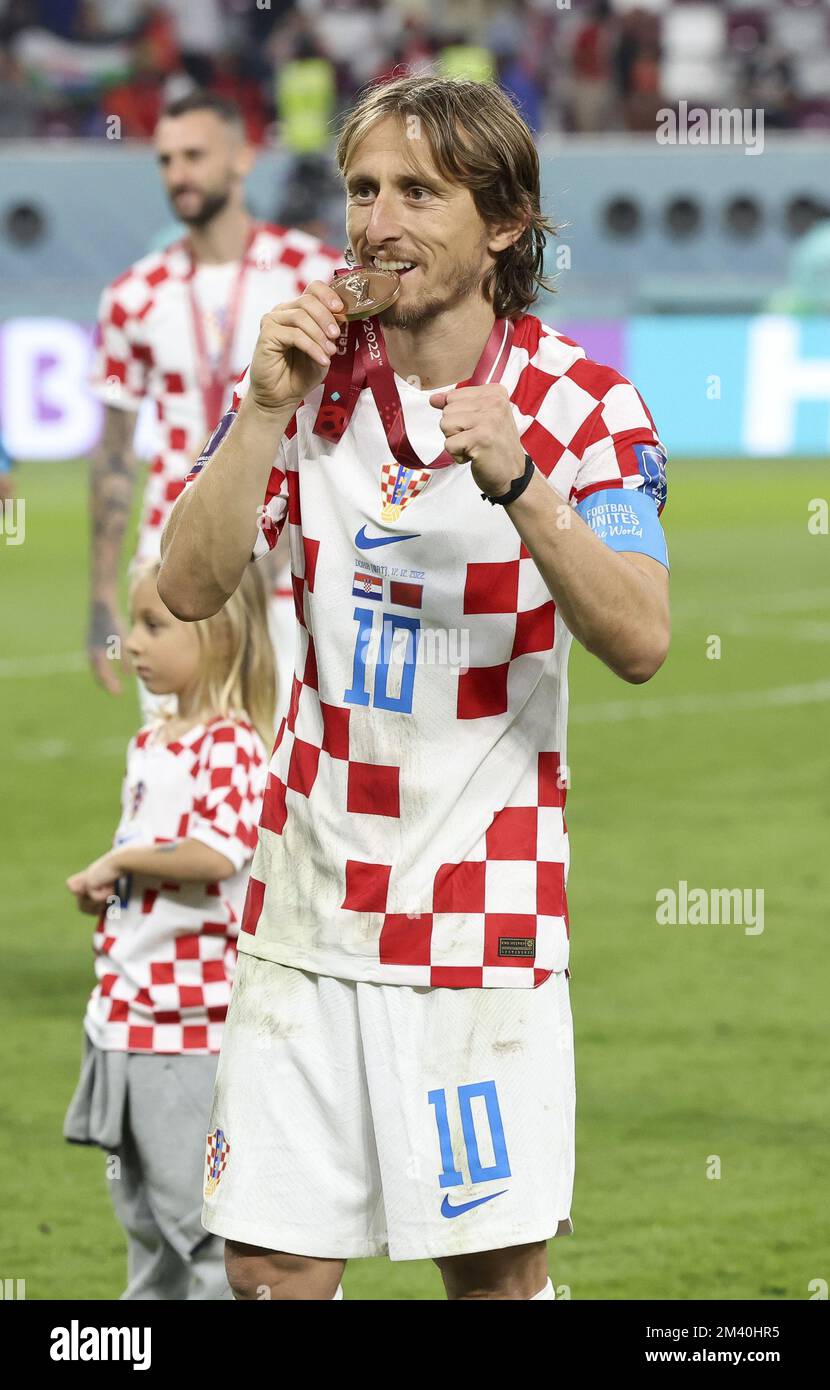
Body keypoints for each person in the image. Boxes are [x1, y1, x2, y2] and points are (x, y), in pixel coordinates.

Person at [158, 75, 671, 1301]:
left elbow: (642, 635)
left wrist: (520, 482)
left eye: (417, 193)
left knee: (490, 1282)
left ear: (502, 223)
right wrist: (256, 414)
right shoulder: (308, 382)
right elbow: (184, 586)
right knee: (271, 1272)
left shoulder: (583, 404)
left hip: (477, 929)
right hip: (304, 908)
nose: (375, 222)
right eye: (362, 189)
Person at [86, 89, 341, 717]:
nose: (179, 175)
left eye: (194, 155)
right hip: (172, 568)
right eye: (167, 161)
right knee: (179, 771)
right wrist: (99, 598)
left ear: (242, 158)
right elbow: (114, 452)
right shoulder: (132, 295)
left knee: (287, 785)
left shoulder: (314, 273)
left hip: (286, 565)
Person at [63, 556, 274, 1300]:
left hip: (186, 1028)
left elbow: (217, 853)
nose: (134, 642)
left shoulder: (234, 744)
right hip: (122, 1015)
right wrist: (114, 883)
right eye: (133, 622)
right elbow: (159, 852)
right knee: (146, 1223)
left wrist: (119, 858)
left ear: (219, 635)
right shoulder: (153, 740)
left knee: (202, 1232)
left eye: (154, 624)